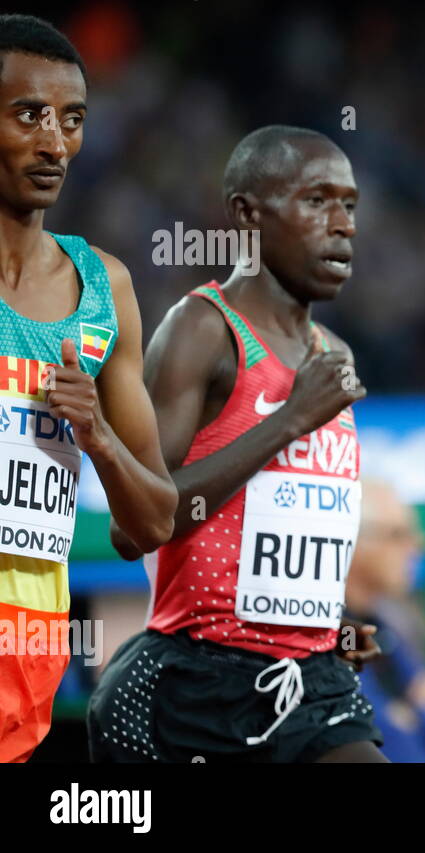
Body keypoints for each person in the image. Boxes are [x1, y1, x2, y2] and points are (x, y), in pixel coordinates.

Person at [87, 125, 384, 762]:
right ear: (247, 215)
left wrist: (325, 623)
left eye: (350, 205)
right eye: (317, 201)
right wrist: (288, 421)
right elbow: (134, 527)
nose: (344, 225)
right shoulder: (204, 330)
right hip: (197, 683)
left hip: (312, 683)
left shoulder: (334, 355)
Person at [0, 14, 177, 762]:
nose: (54, 143)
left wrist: (98, 435)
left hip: (32, 631)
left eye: (71, 119)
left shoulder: (106, 290)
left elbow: (153, 522)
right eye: (28, 115)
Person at [344, 478, 425, 762]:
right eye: (399, 534)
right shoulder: (336, 630)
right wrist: (412, 713)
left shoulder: (380, 623)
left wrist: (408, 717)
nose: (419, 545)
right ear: (355, 541)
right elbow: (391, 743)